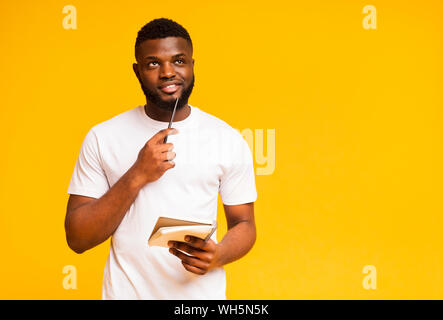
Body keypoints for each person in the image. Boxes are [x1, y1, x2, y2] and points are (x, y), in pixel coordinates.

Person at [65, 18, 257, 300]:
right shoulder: (102, 136)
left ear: (192, 65)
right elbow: (78, 238)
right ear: (137, 71)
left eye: (179, 61)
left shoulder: (227, 138)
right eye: (153, 63)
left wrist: (219, 254)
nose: (168, 72)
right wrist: (137, 174)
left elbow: (244, 224)